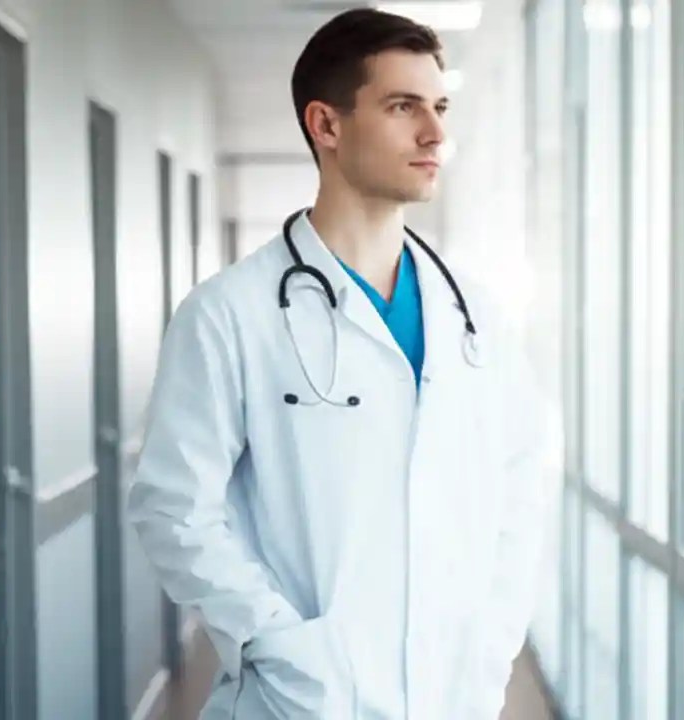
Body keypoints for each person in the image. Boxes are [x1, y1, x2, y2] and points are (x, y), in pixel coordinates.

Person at [126, 9, 552, 719]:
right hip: (297, 701)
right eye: (403, 107)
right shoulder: (231, 314)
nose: (436, 134)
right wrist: (285, 649)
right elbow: (174, 510)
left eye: (440, 107)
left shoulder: (475, 317)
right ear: (326, 125)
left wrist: (490, 644)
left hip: (455, 696)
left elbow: (519, 492)